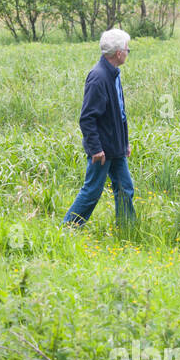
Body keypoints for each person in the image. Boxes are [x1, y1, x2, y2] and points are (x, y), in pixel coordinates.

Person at [65, 28, 135, 227]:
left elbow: (119, 113)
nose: (128, 52)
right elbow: (87, 118)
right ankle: (67, 228)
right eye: (127, 49)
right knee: (92, 191)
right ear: (119, 53)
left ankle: (127, 229)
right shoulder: (99, 77)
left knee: (125, 188)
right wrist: (96, 148)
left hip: (116, 147)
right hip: (102, 149)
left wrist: (124, 142)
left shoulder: (113, 73)